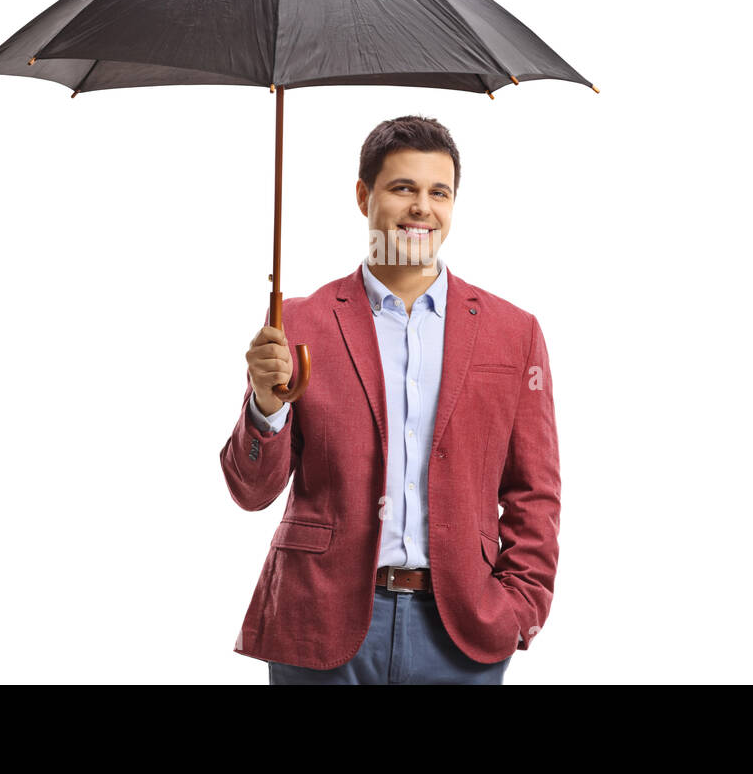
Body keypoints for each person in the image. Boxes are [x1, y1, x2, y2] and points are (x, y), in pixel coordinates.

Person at [219, 115, 560, 685]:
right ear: (364, 196)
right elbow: (251, 491)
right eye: (403, 188)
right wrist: (265, 403)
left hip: (462, 631)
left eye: (438, 192)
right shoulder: (300, 322)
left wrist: (518, 608)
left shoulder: (513, 332)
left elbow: (535, 490)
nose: (421, 207)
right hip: (320, 624)